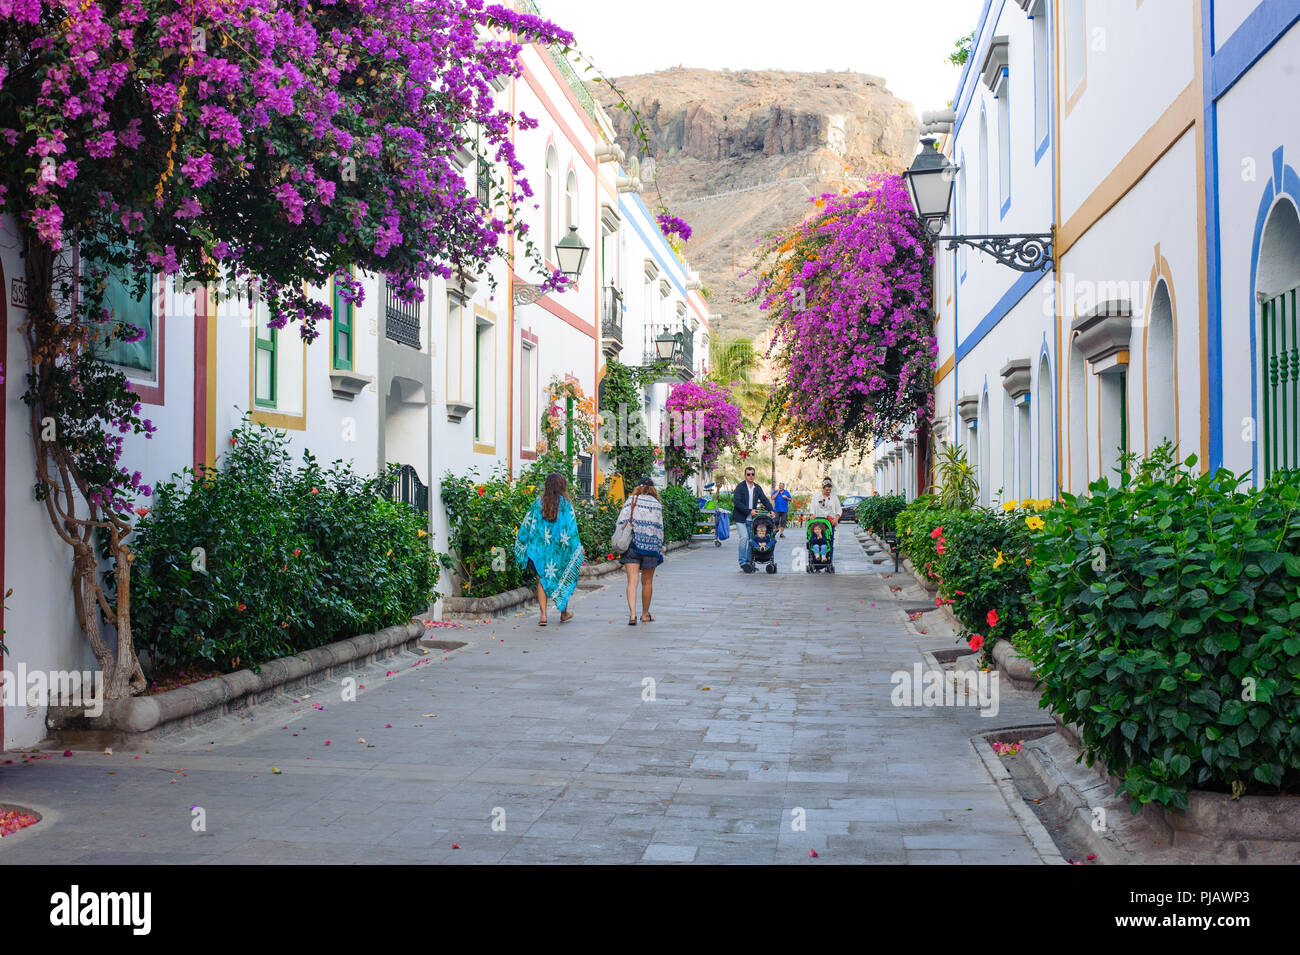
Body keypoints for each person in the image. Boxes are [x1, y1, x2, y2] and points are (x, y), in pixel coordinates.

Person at [514, 472, 584, 626]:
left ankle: (543, 616)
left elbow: (528, 524)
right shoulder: (566, 505)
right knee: (563, 579)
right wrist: (577, 548)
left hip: (541, 550)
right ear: (563, 486)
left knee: (541, 579)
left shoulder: (538, 502)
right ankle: (563, 613)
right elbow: (572, 530)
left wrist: (523, 542)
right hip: (560, 551)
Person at [615, 477, 664, 625]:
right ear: (653, 489)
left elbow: (620, 522)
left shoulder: (631, 500)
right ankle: (644, 615)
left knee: (632, 581)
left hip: (632, 545)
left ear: (638, 487)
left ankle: (631, 615)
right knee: (647, 582)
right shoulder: (657, 505)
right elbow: (660, 529)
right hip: (651, 548)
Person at [731, 465, 773, 573]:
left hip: (752, 520)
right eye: (748, 474)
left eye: (752, 474)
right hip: (741, 518)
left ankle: (749, 563)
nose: (750, 476)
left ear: (754, 475)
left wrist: (771, 510)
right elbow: (737, 502)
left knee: (751, 540)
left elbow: (764, 499)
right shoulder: (740, 487)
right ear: (745, 475)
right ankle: (742, 562)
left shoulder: (757, 488)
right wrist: (749, 511)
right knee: (744, 538)